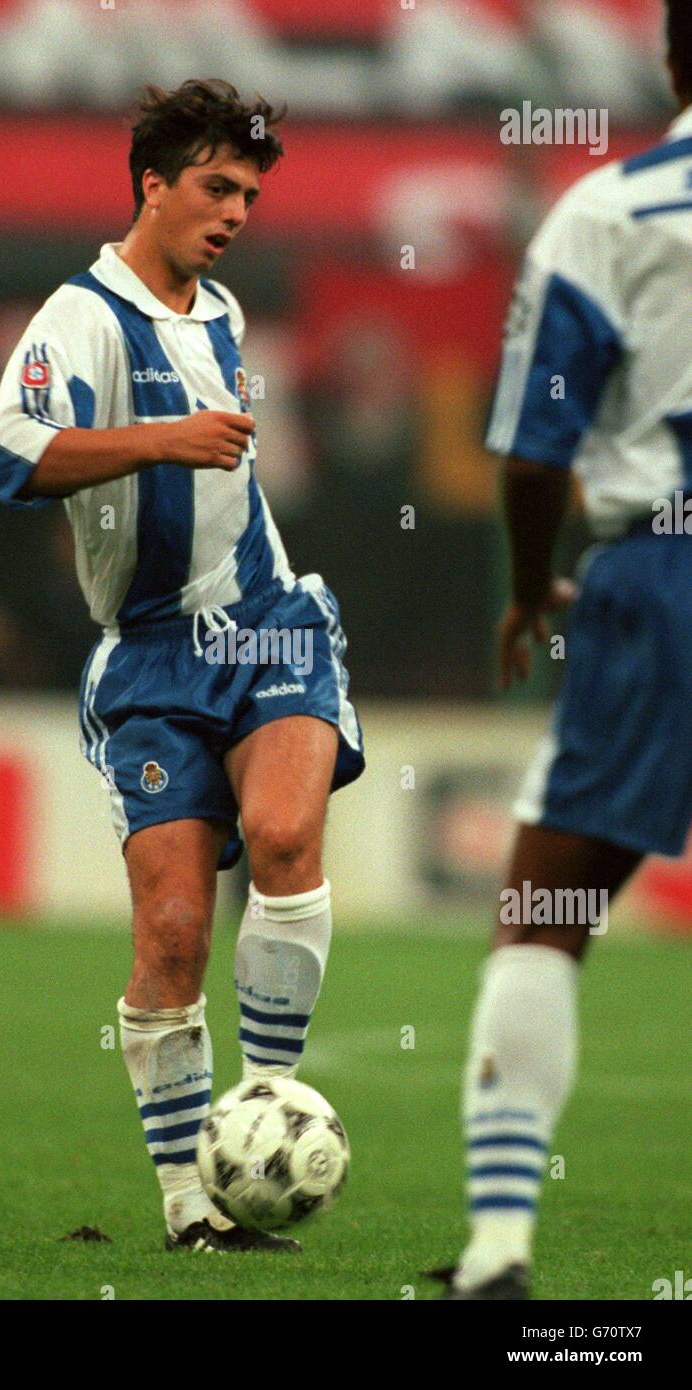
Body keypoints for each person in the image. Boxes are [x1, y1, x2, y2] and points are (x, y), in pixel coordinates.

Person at [0, 79, 364, 1254]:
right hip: (147, 658)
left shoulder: (224, 313)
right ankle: (192, 1213)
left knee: (289, 837)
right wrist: (162, 438)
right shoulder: (79, 315)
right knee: (172, 934)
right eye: (215, 187)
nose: (236, 210)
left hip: (263, 625)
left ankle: (264, 1109)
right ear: (151, 183)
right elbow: (9, 459)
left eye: (249, 193)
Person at [439, 0, 692, 1300]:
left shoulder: (607, 215)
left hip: (660, 573)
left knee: (543, 903)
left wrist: (533, 580)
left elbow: (537, 438)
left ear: (671, 57)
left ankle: (495, 1245)